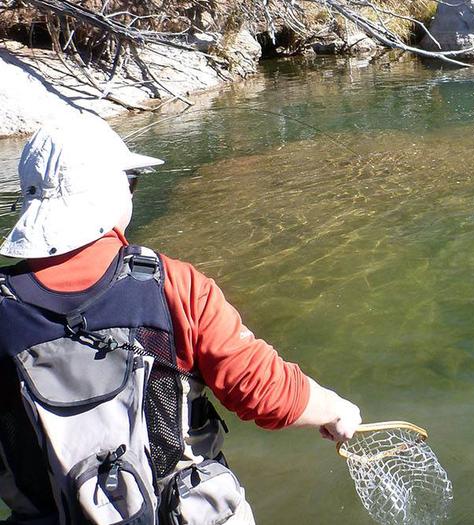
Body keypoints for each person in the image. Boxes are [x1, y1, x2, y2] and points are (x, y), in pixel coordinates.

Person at [0, 117, 361, 525]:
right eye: (131, 181)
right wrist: (334, 408)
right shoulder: (173, 285)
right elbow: (264, 389)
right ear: (109, 192)